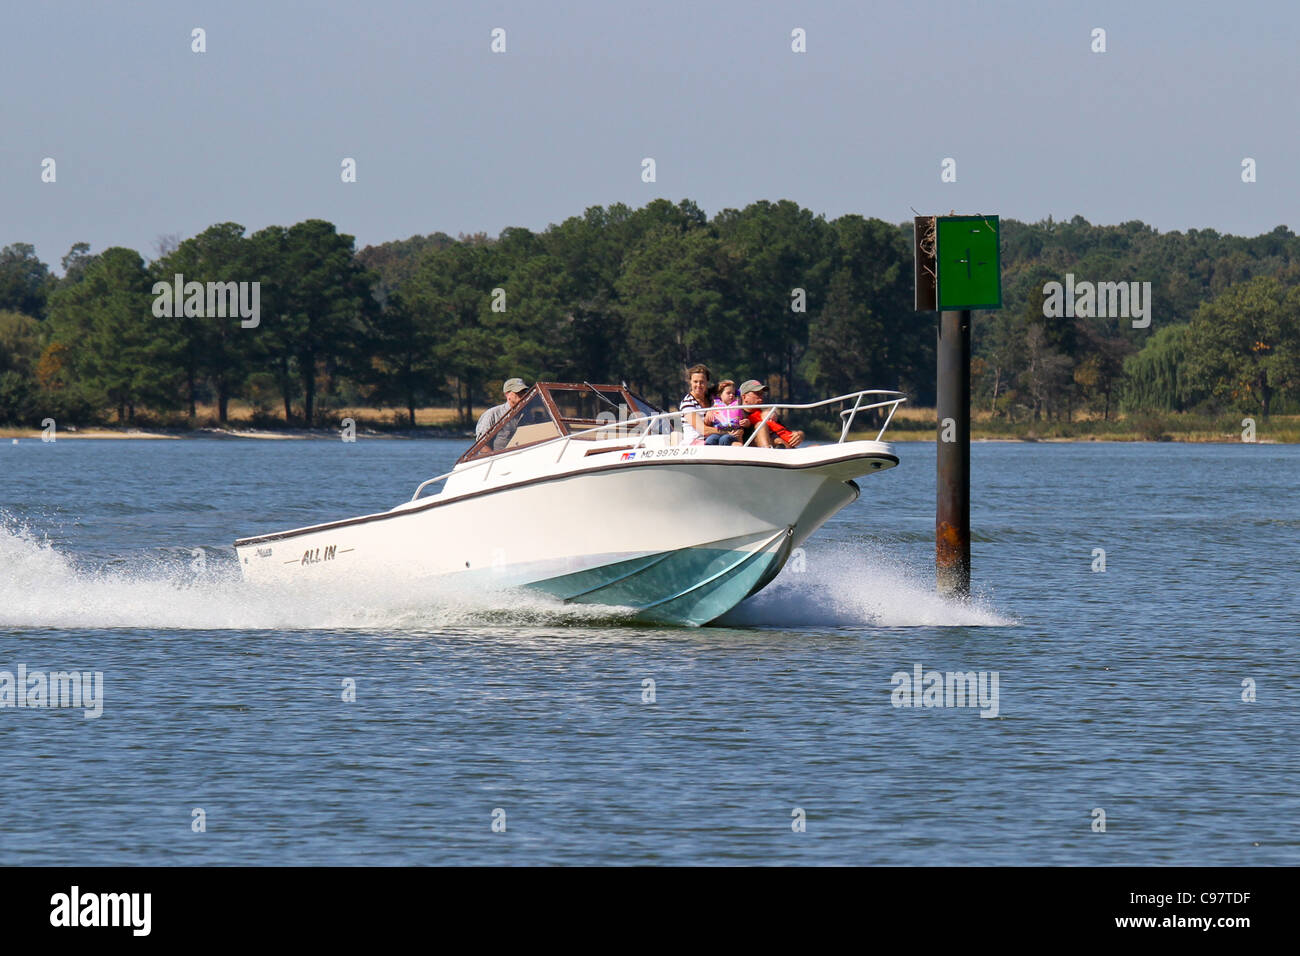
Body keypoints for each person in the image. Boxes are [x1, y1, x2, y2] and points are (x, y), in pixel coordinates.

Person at [679, 364, 739, 446]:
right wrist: (728, 431)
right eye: (695, 382)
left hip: (717, 438)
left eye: (702, 382)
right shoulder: (687, 403)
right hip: (696, 442)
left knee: (737, 445)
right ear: (690, 382)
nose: (699, 385)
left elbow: (725, 387)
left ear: (707, 382)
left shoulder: (711, 397)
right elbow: (703, 430)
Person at [738, 380, 804, 448]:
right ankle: (768, 452)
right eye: (757, 393)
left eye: (762, 393)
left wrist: (799, 434)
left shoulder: (767, 414)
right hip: (750, 450)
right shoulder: (736, 415)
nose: (761, 396)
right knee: (761, 425)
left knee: (815, 446)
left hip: (780, 449)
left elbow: (783, 430)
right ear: (744, 397)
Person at [476, 377, 527, 442]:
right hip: (500, 452)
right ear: (507, 394)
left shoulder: (528, 413)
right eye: (518, 392)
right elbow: (481, 444)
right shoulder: (492, 414)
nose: (522, 395)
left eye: (524, 392)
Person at [705, 380, 744, 446]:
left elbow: (744, 420)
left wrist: (746, 422)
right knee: (710, 439)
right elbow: (707, 422)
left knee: (724, 439)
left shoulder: (738, 405)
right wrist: (709, 413)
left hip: (733, 433)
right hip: (718, 432)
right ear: (720, 395)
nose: (731, 395)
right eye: (728, 393)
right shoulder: (714, 406)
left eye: (733, 394)